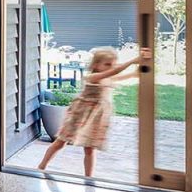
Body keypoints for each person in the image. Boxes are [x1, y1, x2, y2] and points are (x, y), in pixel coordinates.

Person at [38, 44, 149, 179]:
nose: (111, 67)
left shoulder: (107, 76)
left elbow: (123, 75)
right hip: (79, 116)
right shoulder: (92, 77)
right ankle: (41, 166)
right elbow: (114, 72)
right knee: (61, 141)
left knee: (90, 148)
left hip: (94, 118)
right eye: (108, 64)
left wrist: (138, 69)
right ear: (96, 65)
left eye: (113, 64)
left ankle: (88, 178)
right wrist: (132, 61)